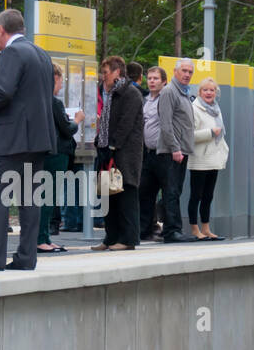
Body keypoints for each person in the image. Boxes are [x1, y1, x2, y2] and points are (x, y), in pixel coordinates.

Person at [0, 9, 57, 271]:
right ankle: (26, 257)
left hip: (13, 137)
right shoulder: (41, 53)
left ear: (0, 30)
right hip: (39, 138)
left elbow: (4, 92)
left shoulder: (12, 53)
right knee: (29, 198)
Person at [91, 56, 144, 252]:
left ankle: (128, 238)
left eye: (106, 72)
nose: (103, 76)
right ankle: (111, 236)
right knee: (107, 195)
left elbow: (126, 124)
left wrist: (112, 146)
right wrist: (101, 144)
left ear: (117, 72)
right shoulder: (110, 93)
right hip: (107, 150)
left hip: (124, 153)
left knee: (126, 195)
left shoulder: (130, 93)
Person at [38, 64, 82, 253]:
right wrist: (78, 120)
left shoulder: (36, 100)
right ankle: (41, 238)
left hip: (43, 153)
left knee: (43, 197)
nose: (61, 86)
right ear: (53, 78)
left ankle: (44, 237)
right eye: (60, 80)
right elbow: (67, 128)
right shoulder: (54, 102)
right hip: (57, 154)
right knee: (49, 197)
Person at [156, 57, 195, 242]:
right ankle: (172, 231)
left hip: (181, 150)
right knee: (171, 191)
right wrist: (175, 148)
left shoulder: (184, 93)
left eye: (190, 72)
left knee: (175, 191)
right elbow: (165, 124)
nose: (187, 74)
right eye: (184, 71)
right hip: (172, 151)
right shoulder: (169, 92)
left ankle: (172, 229)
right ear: (175, 71)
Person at [188, 77, 229, 240]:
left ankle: (206, 228)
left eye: (212, 90)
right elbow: (189, 135)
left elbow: (221, 132)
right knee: (196, 195)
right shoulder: (194, 109)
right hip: (199, 159)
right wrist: (210, 133)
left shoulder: (216, 109)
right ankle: (194, 229)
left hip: (214, 158)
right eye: (205, 90)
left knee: (208, 196)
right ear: (199, 92)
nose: (209, 93)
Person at [137, 65, 168, 241]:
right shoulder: (145, 100)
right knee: (145, 192)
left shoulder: (166, 99)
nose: (152, 81)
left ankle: (168, 228)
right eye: (149, 78)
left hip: (163, 153)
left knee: (167, 192)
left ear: (164, 81)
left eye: (156, 78)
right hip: (147, 153)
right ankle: (145, 229)